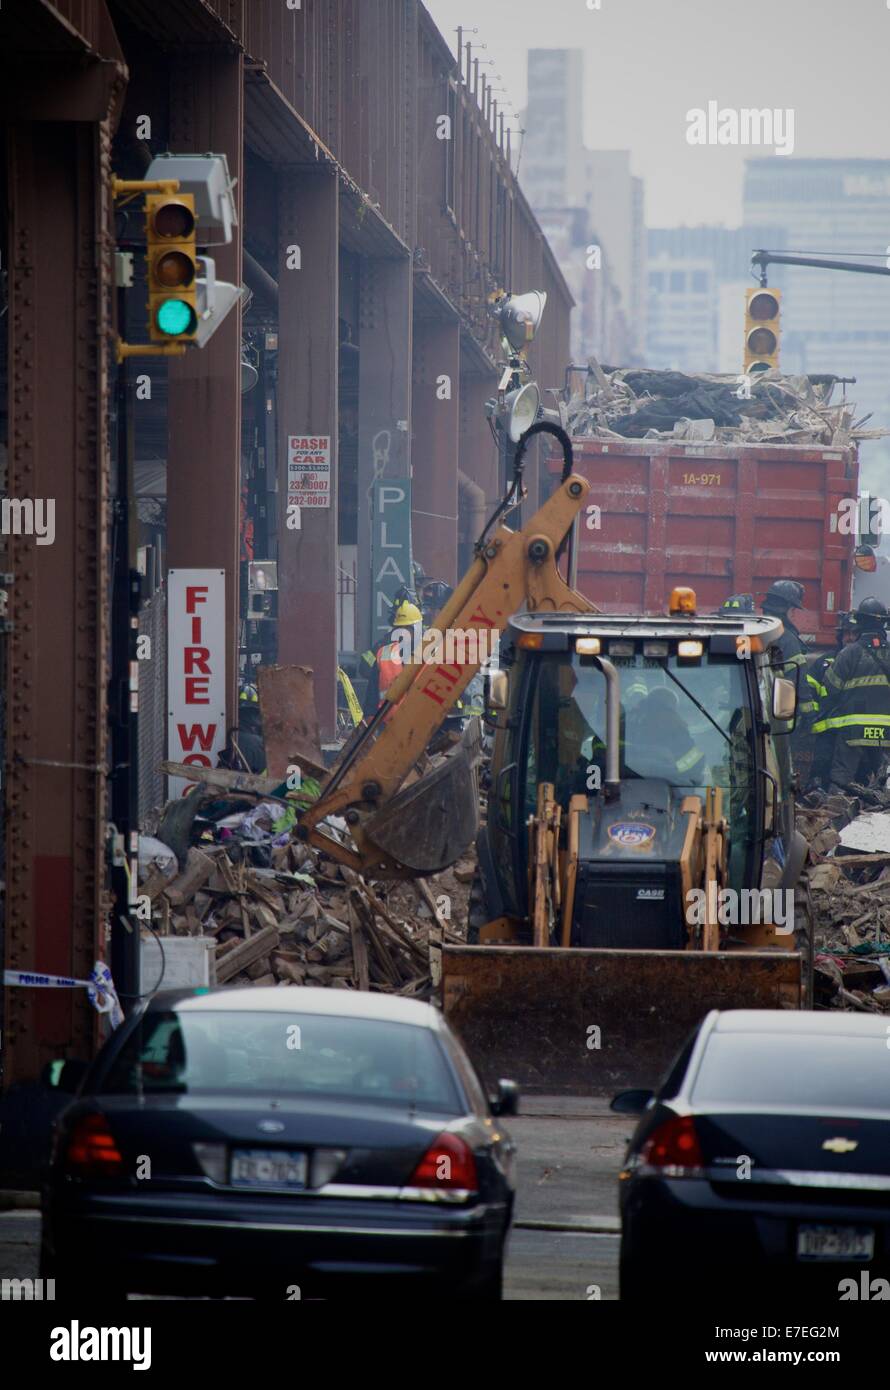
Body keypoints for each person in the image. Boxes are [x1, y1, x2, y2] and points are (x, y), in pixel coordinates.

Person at [816, 597, 890, 792]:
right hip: (886, 732)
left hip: (853, 730)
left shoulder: (850, 653)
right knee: (885, 780)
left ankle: (836, 813)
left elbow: (829, 689)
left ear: (860, 623)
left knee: (841, 778)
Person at [802, 613, 857, 789]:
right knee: (821, 770)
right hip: (827, 732)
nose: (849, 638)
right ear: (840, 635)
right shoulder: (824, 662)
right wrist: (814, 717)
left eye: (854, 633)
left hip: (854, 733)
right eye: (846, 633)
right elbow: (809, 691)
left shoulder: (864, 662)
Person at [361, 598, 423, 717]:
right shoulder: (383, 653)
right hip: (388, 724)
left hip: (420, 723)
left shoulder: (430, 654)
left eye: (407, 629)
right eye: (400, 628)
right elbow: (372, 694)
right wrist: (369, 718)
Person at [761, 580, 807, 677]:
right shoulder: (787, 640)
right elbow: (798, 683)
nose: (794, 614)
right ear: (784, 610)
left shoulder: (753, 633)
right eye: (793, 609)